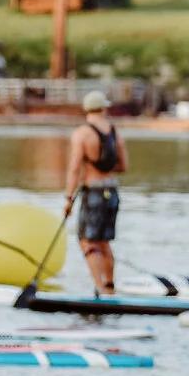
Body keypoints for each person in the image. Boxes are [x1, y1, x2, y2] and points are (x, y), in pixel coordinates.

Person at [63, 91, 127, 296]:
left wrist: (69, 198)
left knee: (87, 241)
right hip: (112, 191)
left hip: (93, 192)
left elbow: (74, 168)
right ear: (104, 108)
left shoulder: (82, 134)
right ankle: (110, 286)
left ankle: (99, 288)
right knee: (104, 242)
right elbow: (123, 166)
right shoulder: (116, 133)